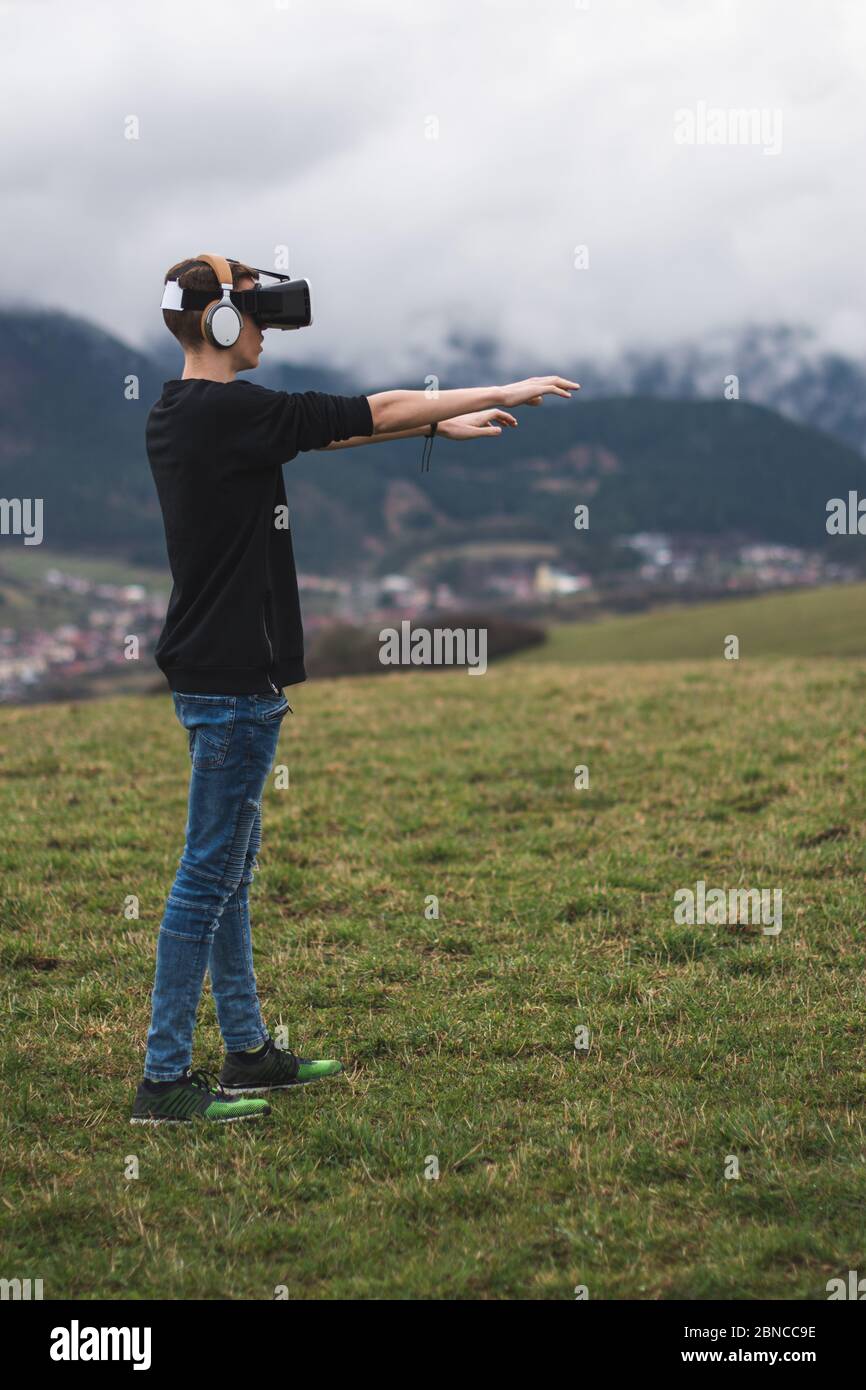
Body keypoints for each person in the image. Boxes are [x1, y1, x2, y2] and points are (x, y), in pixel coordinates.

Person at [131, 252, 579, 1124]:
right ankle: (162, 1084)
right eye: (256, 314)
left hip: (216, 672)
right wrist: (503, 388)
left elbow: (327, 427)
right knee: (206, 878)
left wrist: (430, 429)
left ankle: (250, 1053)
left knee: (227, 872)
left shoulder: (187, 411)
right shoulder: (227, 412)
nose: (266, 329)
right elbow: (362, 408)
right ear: (223, 324)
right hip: (234, 683)